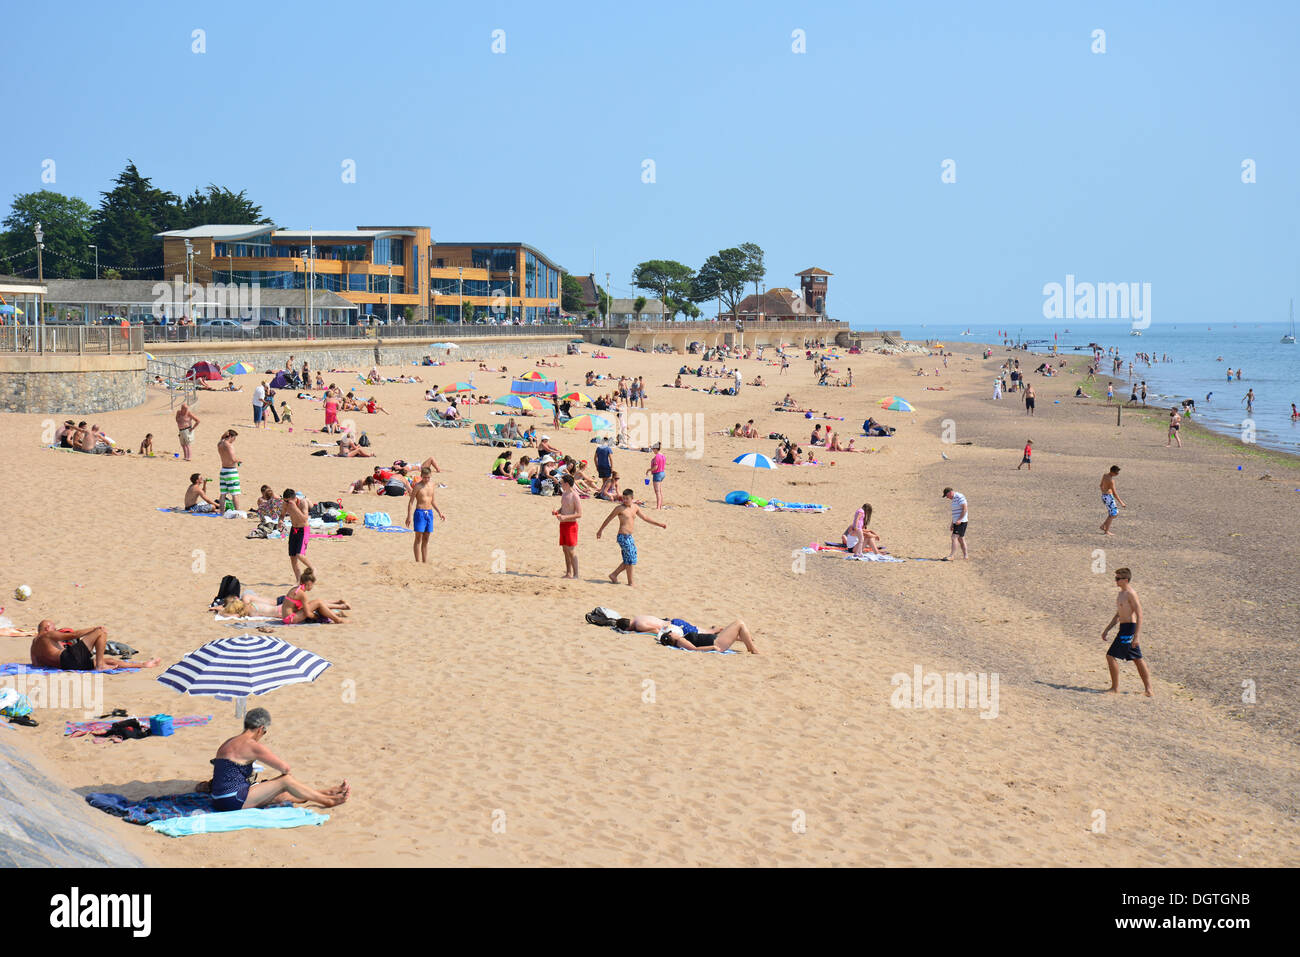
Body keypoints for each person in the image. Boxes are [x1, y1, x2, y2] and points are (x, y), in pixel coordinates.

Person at [210, 708, 349, 812]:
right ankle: (327, 801)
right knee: (285, 780)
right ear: (261, 729)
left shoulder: (227, 742)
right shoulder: (252, 746)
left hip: (219, 799)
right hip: (233, 800)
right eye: (265, 732)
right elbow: (285, 768)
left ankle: (325, 792)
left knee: (281, 794)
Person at [596, 488, 667, 586]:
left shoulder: (635, 507)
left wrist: (659, 524)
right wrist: (600, 530)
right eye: (623, 498)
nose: (624, 500)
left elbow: (645, 518)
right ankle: (630, 582)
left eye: (627, 498)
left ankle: (614, 575)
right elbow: (609, 518)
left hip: (629, 537)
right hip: (622, 536)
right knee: (630, 559)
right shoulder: (619, 508)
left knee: (630, 559)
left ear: (632, 498)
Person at [30, 621, 159, 672]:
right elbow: (73, 635)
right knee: (101, 632)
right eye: (54, 628)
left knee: (110, 661)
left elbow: (36, 665)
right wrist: (94, 628)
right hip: (68, 659)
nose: (56, 630)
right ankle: (100, 665)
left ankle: (144, 665)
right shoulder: (47, 635)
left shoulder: (34, 645)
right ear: (47, 628)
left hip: (67, 665)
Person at [1101, 568, 1152, 696]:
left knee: (1110, 655)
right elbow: (1119, 614)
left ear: (1125, 580)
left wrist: (1136, 636)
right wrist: (1107, 629)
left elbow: (1140, 615)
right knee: (1137, 658)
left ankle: (1115, 688)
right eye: (1115, 578)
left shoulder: (1131, 594)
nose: (1116, 581)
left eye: (1118, 579)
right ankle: (1149, 690)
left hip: (1130, 629)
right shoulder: (1121, 594)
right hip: (1123, 628)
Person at [614, 615, 759, 654]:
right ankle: (752, 648)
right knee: (739, 623)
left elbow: (654, 631)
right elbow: (694, 649)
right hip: (716, 642)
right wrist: (714, 649)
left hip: (715, 640)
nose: (671, 633)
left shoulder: (680, 638)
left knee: (738, 624)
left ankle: (749, 645)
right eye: (670, 634)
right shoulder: (680, 641)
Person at [405, 466, 446, 563]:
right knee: (418, 538)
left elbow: (433, 501)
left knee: (426, 538)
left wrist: (440, 512)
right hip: (419, 513)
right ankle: (417, 562)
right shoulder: (417, 486)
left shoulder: (432, 485)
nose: (426, 479)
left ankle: (424, 562)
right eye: (424, 477)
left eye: (428, 477)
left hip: (429, 513)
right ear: (421, 476)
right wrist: (409, 516)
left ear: (430, 476)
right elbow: (411, 502)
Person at [280, 569, 348, 624]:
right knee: (318, 602)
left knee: (317, 602)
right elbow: (307, 614)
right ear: (309, 584)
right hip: (290, 619)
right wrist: (317, 617)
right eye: (313, 585)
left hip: (286, 618)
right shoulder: (302, 594)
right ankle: (338, 620)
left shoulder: (295, 589)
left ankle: (339, 611)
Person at [554, 474, 582, 579]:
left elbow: (579, 514)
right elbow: (564, 507)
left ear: (566, 483)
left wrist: (565, 517)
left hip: (571, 525)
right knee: (565, 550)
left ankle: (576, 574)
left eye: (562, 482)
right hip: (563, 524)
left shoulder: (575, 495)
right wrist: (558, 511)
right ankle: (568, 573)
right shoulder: (564, 494)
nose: (561, 484)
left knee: (571, 550)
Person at [283, 489, 314, 581]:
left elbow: (304, 519)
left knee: (300, 555)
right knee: (292, 557)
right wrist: (280, 521)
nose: (286, 502)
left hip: (303, 529)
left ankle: (313, 569)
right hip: (294, 529)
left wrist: (295, 508)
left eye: (288, 501)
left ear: (294, 499)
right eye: (285, 500)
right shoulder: (286, 503)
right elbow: (282, 514)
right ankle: (298, 580)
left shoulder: (303, 503)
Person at [217, 430, 242, 511]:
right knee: (235, 494)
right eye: (234, 438)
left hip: (223, 470)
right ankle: (237, 511)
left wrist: (223, 435)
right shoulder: (229, 445)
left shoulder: (220, 444)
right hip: (231, 471)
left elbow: (221, 439)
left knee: (223, 493)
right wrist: (239, 460)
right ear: (231, 436)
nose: (234, 440)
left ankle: (221, 512)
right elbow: (233, 459)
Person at [943, 487, 968, 560]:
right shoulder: (954, 499)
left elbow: (965, 508)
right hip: (957, 522)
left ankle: (951, 556)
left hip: (961, 521)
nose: (947, 497)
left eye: (947, 495)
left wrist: (960, 520)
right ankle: (966, 556)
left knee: (954, 537)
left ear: (950, 492)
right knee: (960, 539)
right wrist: (952, 523)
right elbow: (955, 513)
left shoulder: (959, 496)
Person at [1099, 465, 1126, 535]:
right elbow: (1115, 493)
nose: (1117, 474)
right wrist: (1121, 502)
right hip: (1109, 497)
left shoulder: (1105, 475)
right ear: (1113, 472)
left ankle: (1103, 526)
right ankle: (1106, 531)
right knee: (1114, 514)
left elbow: (1101, 485)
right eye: (1117, 473)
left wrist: (1103, 492)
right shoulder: (1111, 481)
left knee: (1112, 513)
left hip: (1104, 496)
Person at [646, 443, 667, 509]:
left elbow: (655, 467)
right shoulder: (662, 455)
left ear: (656, 449)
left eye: (653, 449)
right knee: (660, 491)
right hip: (662, 473)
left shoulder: (657, 456)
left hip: (657, 474)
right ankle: (660, 505)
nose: (652, 450)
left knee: (657, 491)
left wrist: (648, 470)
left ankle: (658, 507)